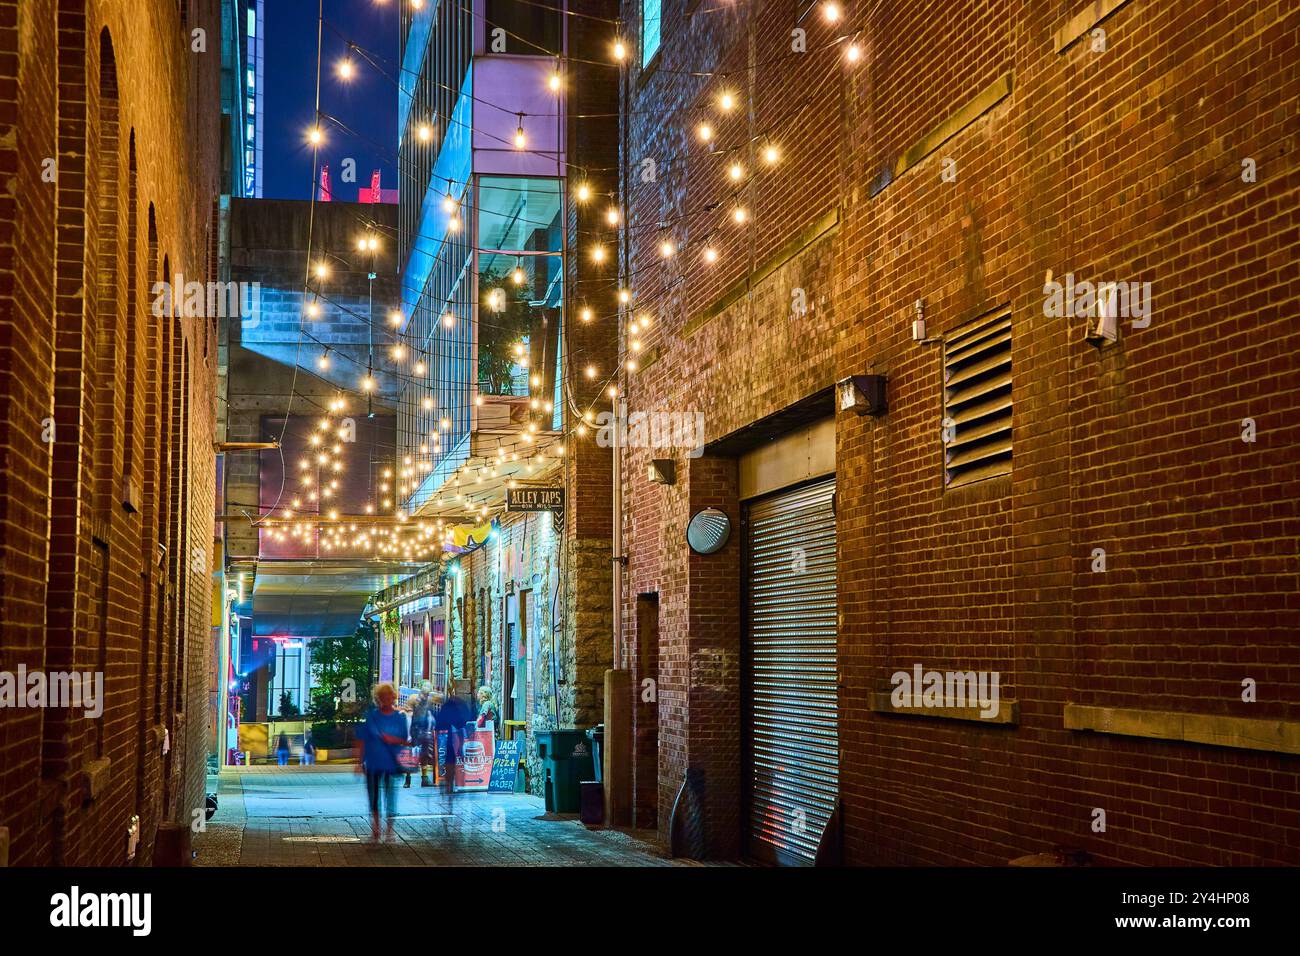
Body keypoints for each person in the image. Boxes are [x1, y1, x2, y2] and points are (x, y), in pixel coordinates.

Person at [353, 682, 407, 844]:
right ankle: (376, 830)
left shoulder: (400, 717)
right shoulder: (372, 717)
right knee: (374, 797)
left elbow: (404, 739)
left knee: (391, 797)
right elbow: (361, 739)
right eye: (382, 696)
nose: (386, 699)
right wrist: (359, 761)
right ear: (378, 699)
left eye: (388, 695)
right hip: (373, 762)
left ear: (393, 697)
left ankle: (390, 831)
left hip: (392, 762)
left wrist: (392, 739)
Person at [434, 689, 474, 820]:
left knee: (446, 763)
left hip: (443, 741)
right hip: (450, 741)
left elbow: (438, 725)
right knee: (451, 764)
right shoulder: (457, 710)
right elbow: (461, 727)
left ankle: (447, 785)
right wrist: (461, 746)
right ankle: (450, 785)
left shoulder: (445, 710)